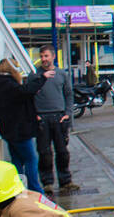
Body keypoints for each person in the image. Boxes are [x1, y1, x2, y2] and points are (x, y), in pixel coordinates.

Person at [0, 58, 47, 195]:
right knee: (30, 159)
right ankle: (35, 190)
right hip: (19, 130)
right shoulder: (8, 84)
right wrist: (42, 79)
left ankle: (19, 190)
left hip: (8, 130)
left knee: (16, 160)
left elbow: (21, 95)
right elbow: (25, 91)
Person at [33, 44, 79, 194]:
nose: (43, 59)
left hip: (59, 117)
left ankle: (66, 181)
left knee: (62, 152)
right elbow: (29, 96)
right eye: (41, 56)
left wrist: (67, 113)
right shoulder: (34, 75)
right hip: (42, 119)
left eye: (46, 56)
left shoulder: (61, 74)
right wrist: (35, 115)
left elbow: (69, 94)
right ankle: (47, 182)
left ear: (53, 56)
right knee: (44, 152)